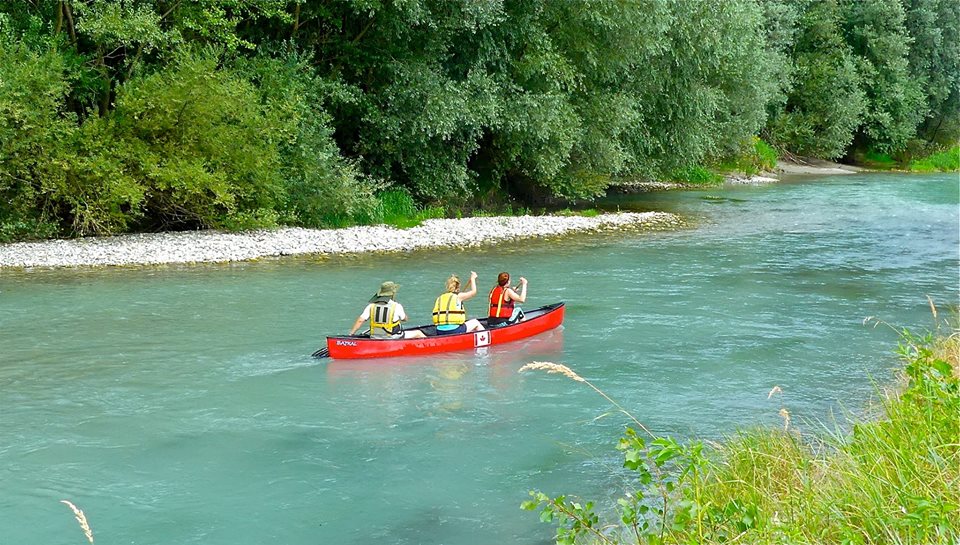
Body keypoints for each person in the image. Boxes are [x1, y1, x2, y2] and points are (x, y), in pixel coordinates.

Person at [349, 281, 426, 339]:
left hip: (374, 336)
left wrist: (351, 334)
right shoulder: (396, 306)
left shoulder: (371, 306)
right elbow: (405, 319)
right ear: (392, 293)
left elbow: (360, 320)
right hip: (392, 336)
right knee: (418, 333)